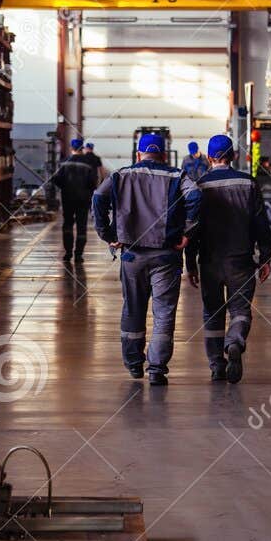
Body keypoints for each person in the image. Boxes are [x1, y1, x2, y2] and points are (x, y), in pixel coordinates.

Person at [92, 132, 201, 384]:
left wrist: (108, 234)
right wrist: (187, 231)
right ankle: (157, 369)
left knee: (133, 308)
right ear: (163, 154)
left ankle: (133, 363)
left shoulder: (120, 175)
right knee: (164, 312)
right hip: (166, 255)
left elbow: (98, 197)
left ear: (139, 154)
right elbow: (195, 196)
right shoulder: (177, 175)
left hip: (132, 255)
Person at [185, 134, 271, 383]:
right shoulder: (248, 183)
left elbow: (192, 229)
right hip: (241, 260)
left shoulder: (198, 186)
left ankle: (216, 366)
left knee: (212, 313)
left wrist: (190, 263)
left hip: (210, 260)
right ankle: (234, 341)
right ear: (233, 155)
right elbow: (260, 224)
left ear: (210, 157)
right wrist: (265, 257)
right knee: (240, 311)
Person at [48, 138, 99, 263]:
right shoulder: (88, 163)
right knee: (82, 226)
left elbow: (54, 179)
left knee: (68, 224)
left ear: (71, 148)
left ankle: (68, 253)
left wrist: (65, 187)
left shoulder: (64, 162)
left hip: (68, 199)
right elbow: (93, 182)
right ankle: (78, 255)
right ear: (82, 149)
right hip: (83, 199)